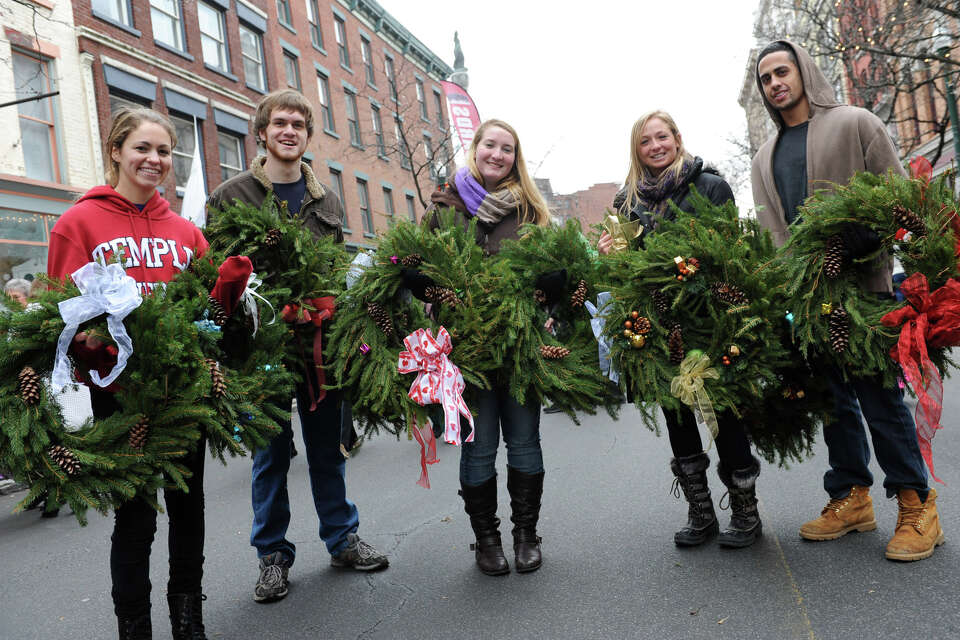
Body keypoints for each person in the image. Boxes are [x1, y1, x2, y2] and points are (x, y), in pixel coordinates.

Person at [751, 40, 943, 561]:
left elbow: (899, 197)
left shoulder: (855, 122)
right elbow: (772, 233)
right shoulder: (764, 157)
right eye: (766, 78)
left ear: (803, 71)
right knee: (833, 404)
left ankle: (917, 504)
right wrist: (785, 293)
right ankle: (852, 496)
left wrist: (867, 237)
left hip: (867, 290)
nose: (775, 84)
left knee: (881, 401)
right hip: (811, 301)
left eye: (782, 72)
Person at [206, 89, 388, 604]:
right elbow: (215, 275)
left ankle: (342, 539)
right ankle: (272, 557)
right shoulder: (230, 196)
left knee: (328, 451)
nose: (289, 132)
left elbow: (333, 269)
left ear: (308, 136)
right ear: (262, 132)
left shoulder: (326, 199)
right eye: (280, 123)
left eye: (299, 125)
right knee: (270, 456)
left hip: (318, 344)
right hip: (260, 348)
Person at [47, 106, 210, 639]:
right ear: (116, 151)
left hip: (182, 390)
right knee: (136, 517)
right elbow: (59, 312)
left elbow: (209, 309)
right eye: (142, 148)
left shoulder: (185, 231)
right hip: (117, 394)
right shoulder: (79, 223)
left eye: (163, 151)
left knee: (188, 507)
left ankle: (188, 618)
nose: (154, 159)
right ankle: (134, 627)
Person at [597, 110, 763, 549]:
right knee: (677, 417)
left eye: (662, 137)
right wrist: (610, 253)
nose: (655, 146)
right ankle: (701, 512)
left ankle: (746, 511)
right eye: (645, 141)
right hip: (657, 326)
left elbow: (728, 253)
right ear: (637, 150)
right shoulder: (628, 203)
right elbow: (625, 269)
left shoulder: (710, 186)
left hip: (708, 321)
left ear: (677, 138)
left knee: (724, 413)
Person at [422, 119, 551, 575]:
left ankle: (525, 534)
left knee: (524, 442)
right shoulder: (444, 207)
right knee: (478, 448)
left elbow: (551, 269)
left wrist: (550, 300)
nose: (497, 154)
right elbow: (420, 269)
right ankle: (487, 540)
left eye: (507, 149)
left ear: (516, 158)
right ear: (475, 148)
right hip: (467, 354)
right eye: (490, 145)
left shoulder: (530, 211)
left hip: (520, 349)